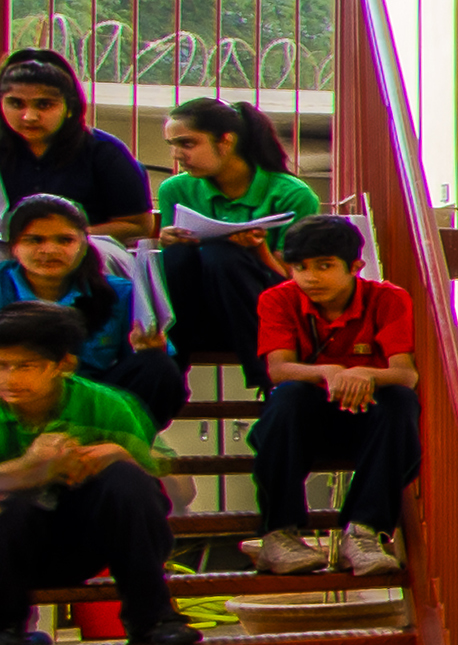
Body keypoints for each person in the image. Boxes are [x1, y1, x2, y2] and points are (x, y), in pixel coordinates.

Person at [0, 301, 195, 645]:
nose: (9, 379)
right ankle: (5, 630)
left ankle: (152, 618)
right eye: (0, 366)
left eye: (25, 366)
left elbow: (180, 493)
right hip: (12, 548)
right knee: (18, 506)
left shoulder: (107, 405)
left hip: (89, 543)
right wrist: (29, 469)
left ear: (63, 365)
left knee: (126, 479)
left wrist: (125, 455)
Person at [248, 215, 417, 577]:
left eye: (324, 266)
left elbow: (405, 373)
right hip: (306, 422)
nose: (310, 277)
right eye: (299, 267)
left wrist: (364, 373)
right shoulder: (277, 299)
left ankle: (364, 533)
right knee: (288, 396)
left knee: (400, 401)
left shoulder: (388, 298)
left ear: (355, 267)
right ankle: (280, 534)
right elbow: (279, 369)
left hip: (366, 422)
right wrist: (329, 372)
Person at [145, 99, 321, 376]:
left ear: (225, 141)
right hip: (195, 313)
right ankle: (171, 368)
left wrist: (258, 250)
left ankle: (266, 374)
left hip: (260, 309)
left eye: (187, 143)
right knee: (178, 254)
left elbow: (297, 280)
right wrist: (169, 240)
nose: (178, 154)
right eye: (173, 145)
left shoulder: (291, 194)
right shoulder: (175, 190)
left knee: (222, 255)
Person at [0, 195, 175, 432]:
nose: (50, 250)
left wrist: (150, 347)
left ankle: (118, 451)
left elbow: (147, 369)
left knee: (158, 366)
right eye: (35, 240)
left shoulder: (118, 292)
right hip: (11, 398)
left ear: (84, 245)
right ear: (13, 247)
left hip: (93, 405)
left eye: (64, 240)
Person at [0, 53, 152, 239]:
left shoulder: (104, 152)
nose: (29, 116)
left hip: (89, 253)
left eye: (44, 105)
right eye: (16, 104)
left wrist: (62, 238)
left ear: (70, 108)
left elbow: (138, 226)